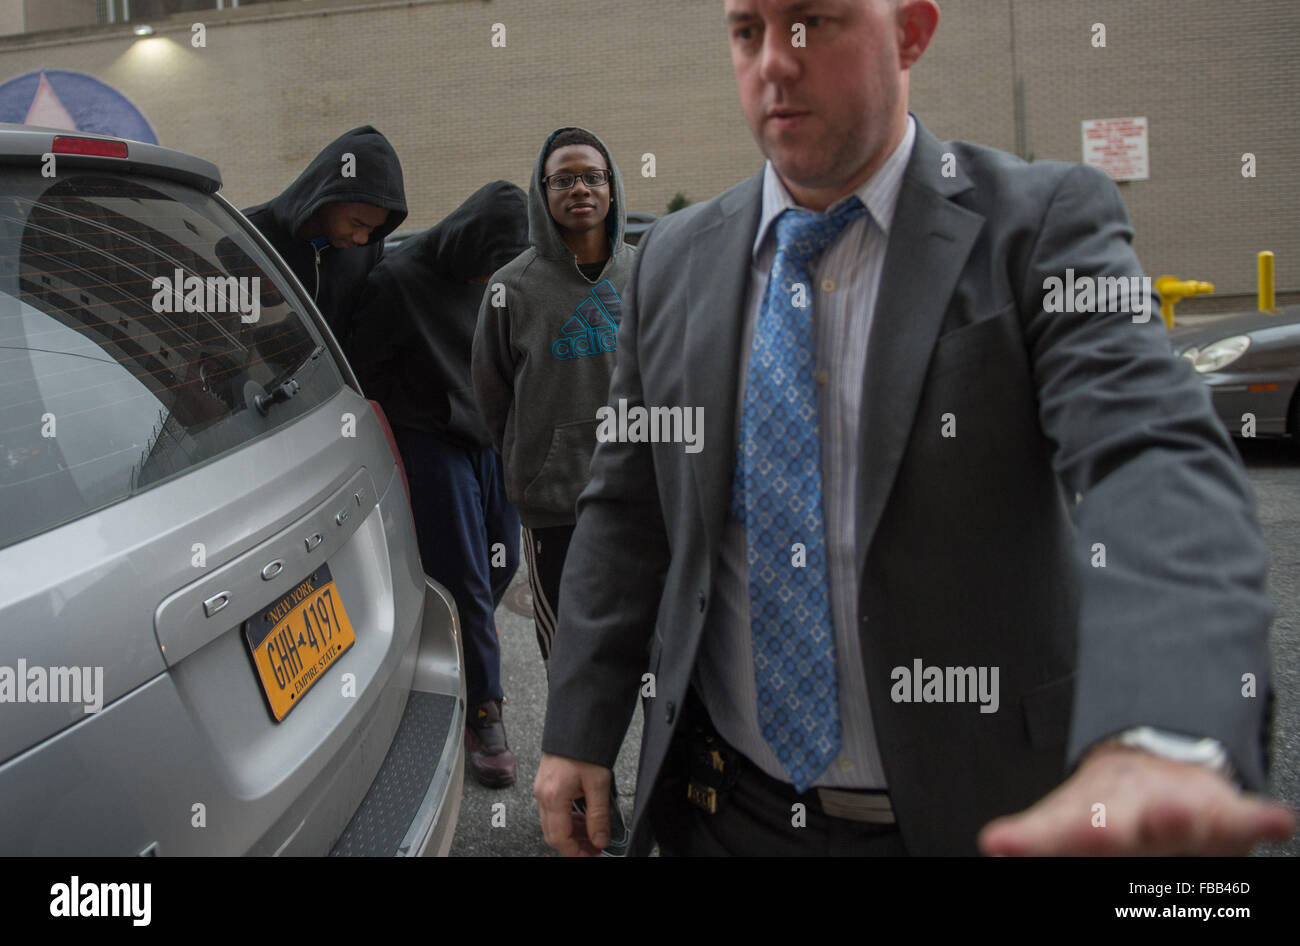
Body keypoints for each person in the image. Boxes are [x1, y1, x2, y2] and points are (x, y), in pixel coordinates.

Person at [533, 0, 1296, 857]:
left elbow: (1151, 459)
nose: (774, 63)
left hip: (983, 819)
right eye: (748, 30)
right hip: (723, 813)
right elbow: (627, 509)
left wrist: (1164, 729)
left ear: (913, 32)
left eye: (813, 21)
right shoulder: (672, 261)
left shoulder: (1040, 228)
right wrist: (578, 723)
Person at [472, 126, 636, 854]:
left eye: (592, 177)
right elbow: (490, 395)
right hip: (557, 510)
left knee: (662, 664)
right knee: (572, 670)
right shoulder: (512, 289)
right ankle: (582, 816)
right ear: (543, 193)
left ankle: (660, 798)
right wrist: (532, 463)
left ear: (612, 187)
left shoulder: (645, 273)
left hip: (644, 503)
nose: (580, 189)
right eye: (563, 178)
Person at [350, 181, 528, 788]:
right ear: (467, 243)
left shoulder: (503, 282)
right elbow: (364, 371)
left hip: (488, 436)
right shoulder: (397, 283)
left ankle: (462, 640)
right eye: (485, 269)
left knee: (502, 559)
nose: (488, 283)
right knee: (468, 578)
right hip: (430, 439)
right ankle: (486, 710)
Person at [243, 125, 407, 356]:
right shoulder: (247, 237)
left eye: (373, 228)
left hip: (335, 390)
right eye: (357, 223)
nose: (362, 238)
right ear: (326, 199)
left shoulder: (367, 248)